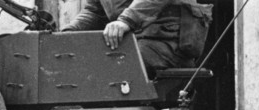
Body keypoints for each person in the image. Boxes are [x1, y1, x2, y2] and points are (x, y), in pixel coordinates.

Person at [62, 0, 211, 77]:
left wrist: (126, 20)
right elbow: (95, 11)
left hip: (165, 40)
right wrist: (69, 32)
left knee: (109, 71)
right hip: (134, 41)